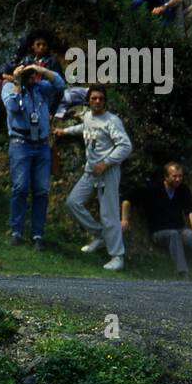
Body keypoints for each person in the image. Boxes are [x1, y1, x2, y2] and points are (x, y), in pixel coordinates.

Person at [55, 83, 132, 271]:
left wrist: (105, 163)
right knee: (73, 203)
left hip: (108, 171)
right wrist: (64, 131)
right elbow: (85, 128)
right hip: (91, 170)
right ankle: (99, 235)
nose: (97, 102)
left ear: (105, 101)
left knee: (109, 214)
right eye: (93, 98)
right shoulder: (88, 116)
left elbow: (125, 146)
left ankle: (117, 256)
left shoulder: (112, 121)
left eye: (101, 99)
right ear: (88, 101)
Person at [1, 60, 64, 249]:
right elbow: (12, 107)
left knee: (41, 191)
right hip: (20, 144)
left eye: (30, 73)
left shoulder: (41, 88)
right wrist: (18, 82)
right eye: (25, 72)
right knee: (20, 188)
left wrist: (41, 70)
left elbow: (60, 84)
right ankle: (16, 231)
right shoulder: (9, 87)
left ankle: (37, 235)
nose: (29, 76)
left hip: (41, 145)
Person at [121, 162, 192, 280]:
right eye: (174, 176)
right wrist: (124, 219)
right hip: (159, 232)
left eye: (180, 176)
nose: (178, 179)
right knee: (173, 234)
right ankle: (183, 274)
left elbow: (190, 210)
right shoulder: (152, 189)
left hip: (180, 229)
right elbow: (127, 200)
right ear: (166, 177)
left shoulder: (182, 189)